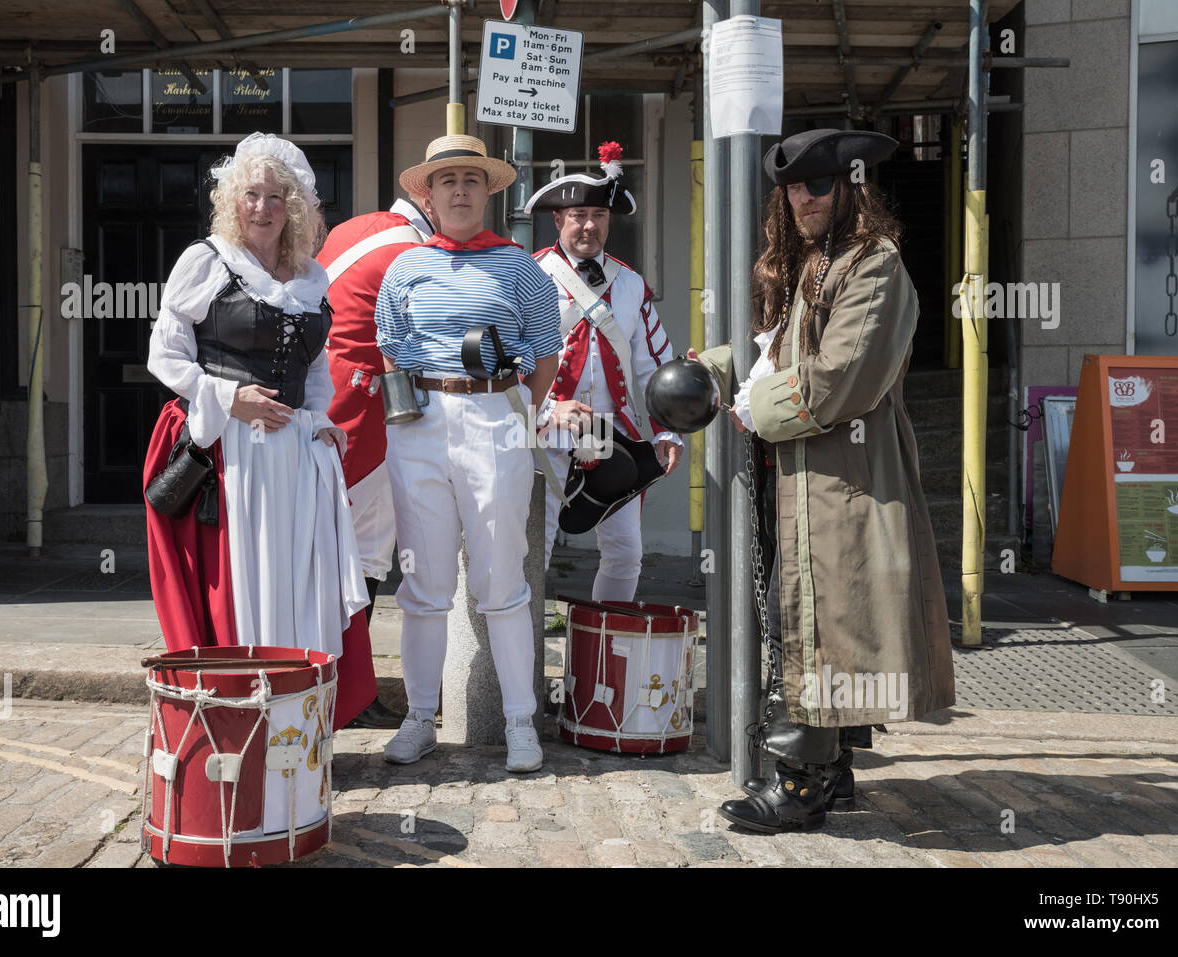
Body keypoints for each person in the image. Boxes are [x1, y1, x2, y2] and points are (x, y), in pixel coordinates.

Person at [692, 128, 955, 832]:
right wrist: (713, 370)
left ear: (851, 186)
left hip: (848, 475)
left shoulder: (874, 264)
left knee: (822, 620)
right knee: (806, 617)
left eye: (817, 184)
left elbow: (838, 379)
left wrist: (755, 405)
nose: (802, 197)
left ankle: (802, 783)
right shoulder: (809, 263)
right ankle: (833, 772)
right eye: (792, 186)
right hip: (796, 474)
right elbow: (768, 352)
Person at [143, 132, 374, 730]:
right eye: (251, 194)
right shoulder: (207, 261)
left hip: (296, 454)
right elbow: (164, 357)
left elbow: (317, 367)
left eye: (277, 196)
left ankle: (297, 722)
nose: (263, 207)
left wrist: (321, 420)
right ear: (232, 199)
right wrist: (230, 398)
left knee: (299, 580)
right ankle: (248, 717)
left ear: (294, 206)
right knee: (246, 580)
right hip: (234, 450)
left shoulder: (312, 276)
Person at [373, 134, 563, 773]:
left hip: (495, 418)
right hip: (420, 420)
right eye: (447, 180)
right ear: (427, 192)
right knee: (424, 586)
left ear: (489, 191)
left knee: (502, 582)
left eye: (471, 180)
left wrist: (507, 410)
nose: (459, 190)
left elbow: (545, 356)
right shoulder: (405, 268)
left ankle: (519, 723)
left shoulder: (521, 267)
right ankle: (420, 718)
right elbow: (392, 345)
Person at [525, 141, 683, 602]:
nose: (589, 226)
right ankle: (527, 666)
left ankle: (602, 664)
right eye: (578, 215)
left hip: (613, 434)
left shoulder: (631, 283)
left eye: (599, 214)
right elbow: (510, 359)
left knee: (625, 552)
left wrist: (666, 433)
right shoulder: (529, 275)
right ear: (558, 220)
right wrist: (546, 410)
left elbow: (656, 363)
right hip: (548, 429)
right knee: (535, 551)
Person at [316, 196, 436, 729]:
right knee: (365, 555)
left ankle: (337, 687)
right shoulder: (412, 252)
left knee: (334, 551)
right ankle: (350, 693)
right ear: (428, 199)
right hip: (366, 411)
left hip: (326, 396)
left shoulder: (353, 226)